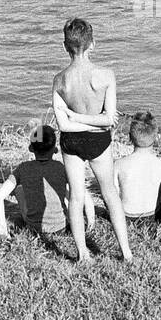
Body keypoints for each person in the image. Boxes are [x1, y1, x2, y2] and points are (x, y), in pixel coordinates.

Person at [52, 17, 133, 263]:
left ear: (65, 47)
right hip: (98, 141)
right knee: (110, 194)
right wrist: (94, 119)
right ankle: (126, 253)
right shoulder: (106, 75)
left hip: (71, 142)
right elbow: (109, 119)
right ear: (92, 44)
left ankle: (82, 254)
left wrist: (75, 115)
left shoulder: (59, 80)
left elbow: (63, 124)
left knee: (76, 197)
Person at [0, 124, 91, 239]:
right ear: (55, 149)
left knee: (19, 189)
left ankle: (28, 219)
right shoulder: (60, 167)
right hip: (61, 228)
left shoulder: (23, 168)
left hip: (34, 229)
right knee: (66, 189)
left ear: (31, 148)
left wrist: (3, 232)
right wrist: (90, 222)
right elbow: (83, 193)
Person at [114, 111, 161, 226]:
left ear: (130, 137)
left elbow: (113, 198)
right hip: (153, 215)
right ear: (157, 138)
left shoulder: (118, 164)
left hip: (126, 217)